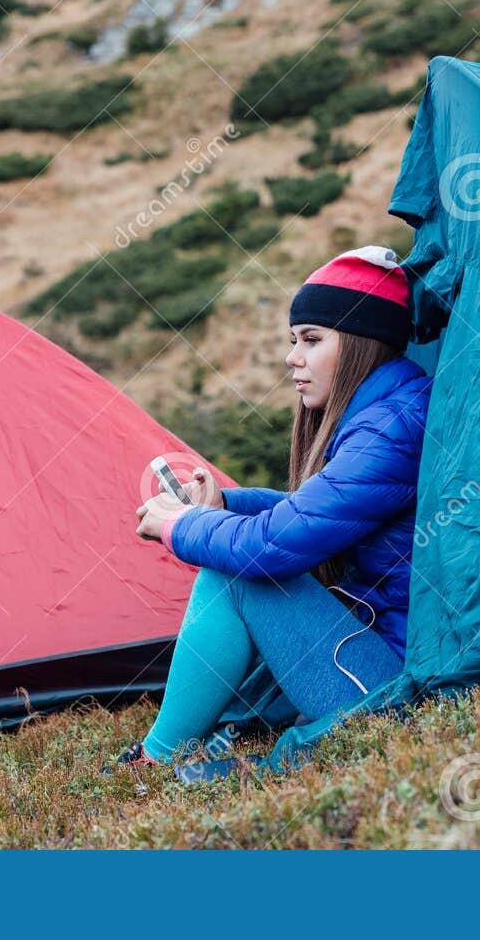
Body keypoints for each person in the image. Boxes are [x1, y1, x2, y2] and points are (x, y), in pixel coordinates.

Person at [120, 245, 432, 781]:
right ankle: (164, 752)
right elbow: (318, 513)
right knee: (232, 555)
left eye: (312, 339)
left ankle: (157, 759)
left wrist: (179, 525)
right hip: (382, 654)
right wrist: (228, 506)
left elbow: (274, 545)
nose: (293, 357)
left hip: (394, 694)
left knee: (239, 571)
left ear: (361, 344)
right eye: (294, 341)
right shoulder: (390, 409)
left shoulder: (391, 428)